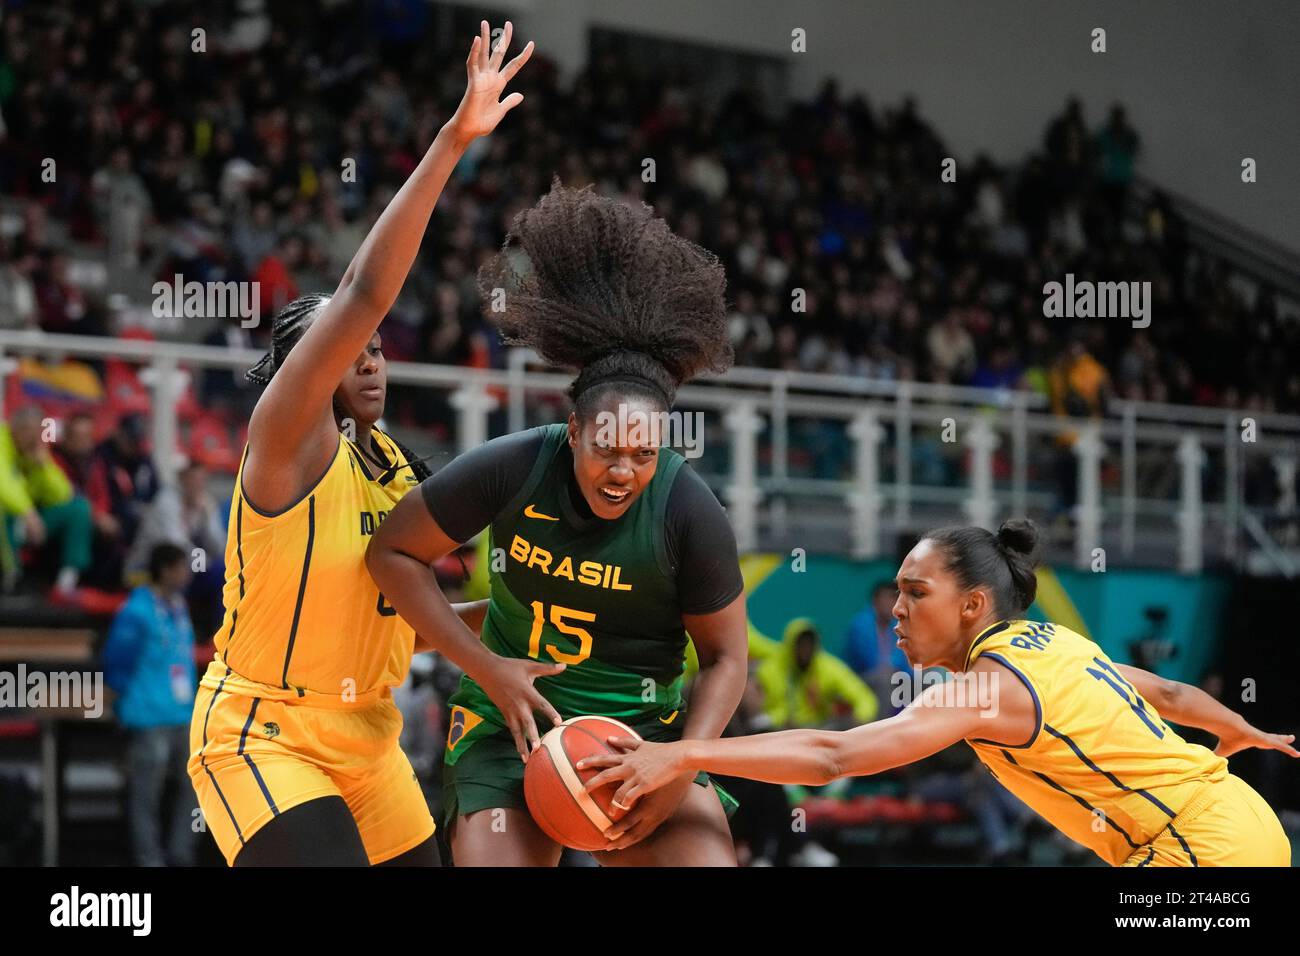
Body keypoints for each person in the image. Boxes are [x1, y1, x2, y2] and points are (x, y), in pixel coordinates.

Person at [185, 21, 529, 867]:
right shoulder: (287, 435)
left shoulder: (393, 464)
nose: (370, 359)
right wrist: (453, 141)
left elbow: (403, 617)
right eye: (354, 349)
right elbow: (365, 291)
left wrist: (536, 620)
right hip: (266, 728)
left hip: (368, 739)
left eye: (377, 351)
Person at [366, 181, 749, 866]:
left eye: (644, 453)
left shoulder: (690, 512)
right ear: (574, 432)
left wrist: (682, 763)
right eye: (608, 449)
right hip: (506, 726)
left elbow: (725, 658)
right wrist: (485, 667)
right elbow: (392, 553)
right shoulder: (512, 467)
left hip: (638, 738)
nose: (624, 470)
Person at [580, 519, 1297, 867]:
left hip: (1199, 850)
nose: (896, 607)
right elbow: (1170, 694)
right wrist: (1240, 730)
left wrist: (682, 754)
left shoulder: (986, 689)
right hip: (1244, 821)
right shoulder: (1063, 645)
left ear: (973, 606)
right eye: (896, 592)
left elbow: (834, 755)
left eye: (916, 593)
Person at [103, 543, 199, 866]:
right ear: (167, 570)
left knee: (197, 784)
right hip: (148, 715)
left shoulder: (179, 607)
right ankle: (149, 859)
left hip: (181, 713)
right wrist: (119, 705)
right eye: (182, 567)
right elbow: (116, 664)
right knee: (147, 792)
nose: (188, 573)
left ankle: (180, 852)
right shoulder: (136, 612)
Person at [0, 406, 92, 596]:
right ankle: (11, 578)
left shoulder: (37, 450)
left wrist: (44, 467)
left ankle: (67, 582)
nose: (37, 440)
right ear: (19, 429)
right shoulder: (2, 440)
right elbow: (4, 484)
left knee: (78, 508)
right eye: (33, 434)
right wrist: (27, 512)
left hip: (30, 520)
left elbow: (62, 494)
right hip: (12, 516)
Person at [756, 618, 878, 729]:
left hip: (819, 728)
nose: (805, 649)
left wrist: (860, 720)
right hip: (779, 731)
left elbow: (865, 699)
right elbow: (762, 710)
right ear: (790, 644)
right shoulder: (769, 670)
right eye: (800, 643)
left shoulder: (828, 667)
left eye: (810, 643)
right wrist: (777, 719)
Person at [843, 580, 910, 712]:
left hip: (891, 675)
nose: (891, 603)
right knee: (885, 679)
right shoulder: (861, 625)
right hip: (860, 679)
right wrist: (893, 668)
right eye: (887, 597)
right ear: (875, 600)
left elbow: (905, 658)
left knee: (925, 676)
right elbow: (870, 661)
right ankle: (885, 728)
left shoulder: (897, 624)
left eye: (894, 598)